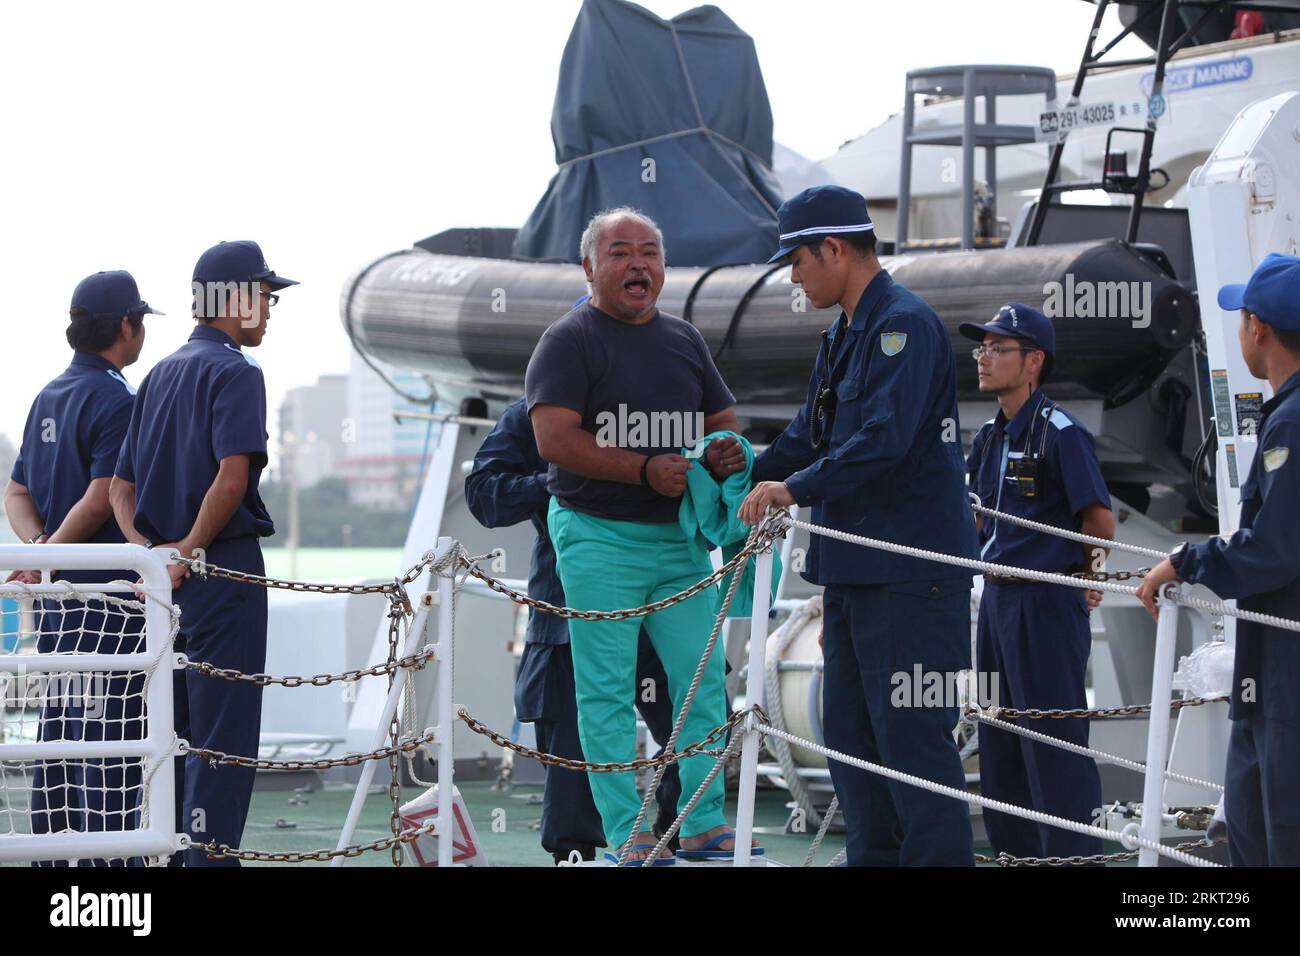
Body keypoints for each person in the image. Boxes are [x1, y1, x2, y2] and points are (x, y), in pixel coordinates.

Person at [738, 185, 978, 866]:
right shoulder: (845, 334)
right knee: (848, 731)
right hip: (853, 573)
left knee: (911, 738)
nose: (792, 275)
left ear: (833, 250)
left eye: (797, 260)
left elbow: (883, 438)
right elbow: (810, 433)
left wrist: (792, 489)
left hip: (909, 573)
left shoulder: (905, 325)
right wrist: (745, 466)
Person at [525, 207, 754, 865]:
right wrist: (646, 470)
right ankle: (629, 833)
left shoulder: (684, 340)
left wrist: (723, 453)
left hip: (679, 542)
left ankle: (704, 822)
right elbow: (553, 440)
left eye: (650, 252)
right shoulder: (567, 340)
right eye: (621, 252)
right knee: (605, 690)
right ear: (589, 268)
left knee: (703, 681)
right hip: (598, 538)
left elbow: (723, 420)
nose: (638, 264)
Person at [109, 241, 296, 866]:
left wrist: (149, 556)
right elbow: (231, 479)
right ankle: (210, 862)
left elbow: (120, 487)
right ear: (236, 297)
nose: (269, 310)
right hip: (222, 571)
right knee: (224, 738)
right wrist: (189, 550)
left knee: (169, 735)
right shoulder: (237, 372)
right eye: (265, 297)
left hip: (162, 586)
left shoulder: (158, 374)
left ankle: (162, 859)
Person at [465, 397, 683, 863]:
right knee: (573, 769)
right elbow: (484, 494)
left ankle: (672, 835)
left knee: (703, 726)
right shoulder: (533, 412)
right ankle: (577, 857)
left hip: (663, 602)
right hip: (569, 608)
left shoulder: (663, 399)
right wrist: (562, 480)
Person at [1137, 253, 1300, 866]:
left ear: (1257, 328)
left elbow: (1274, 550)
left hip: (1288, 670)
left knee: (1281, 837)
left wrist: (1186, 561)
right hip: (1270, 667)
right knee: (1255, 832)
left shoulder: (1293, 425)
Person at [4, 270, 159, 866]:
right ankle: (110, 872)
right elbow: (102, 495)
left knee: (59, 734)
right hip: (104, 605)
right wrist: (54, 558)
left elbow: (15, 494)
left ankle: (51, 862)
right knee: (110, 739)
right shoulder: (117, 399)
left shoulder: (48, 394)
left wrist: (39, 550)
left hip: (53, 612)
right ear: (126, 326)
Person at [961, 302, 1115, 859]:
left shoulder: (1061, 434)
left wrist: (1091, 579)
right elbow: (976, 520)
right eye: (982, 348)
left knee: (1054, 747)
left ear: (1033, 362)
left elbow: (1098, 520)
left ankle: (1074, 858)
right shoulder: (987, 438)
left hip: (1046, 604)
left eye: (997, 349)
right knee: (1000, 746)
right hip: (998, 603)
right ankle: (1017, 857)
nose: (983, 358)